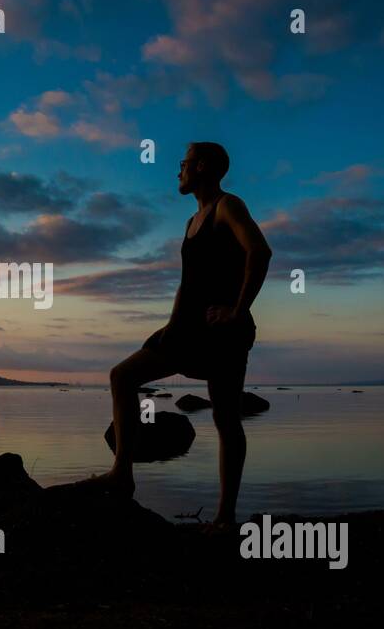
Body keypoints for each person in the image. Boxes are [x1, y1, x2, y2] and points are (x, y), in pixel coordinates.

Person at [84, 141, 272, 531]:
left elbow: (260, 252)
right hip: (187, 329)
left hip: (222, 333)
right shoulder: (193, 221)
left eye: (183, 163)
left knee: (225, 418)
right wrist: (170, 326)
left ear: (202, 167)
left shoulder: (227, 206)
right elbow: (187, 285)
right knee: (123, 376)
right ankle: (122, 473)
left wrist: (237, 311)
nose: (178, 170)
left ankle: (224, 516)